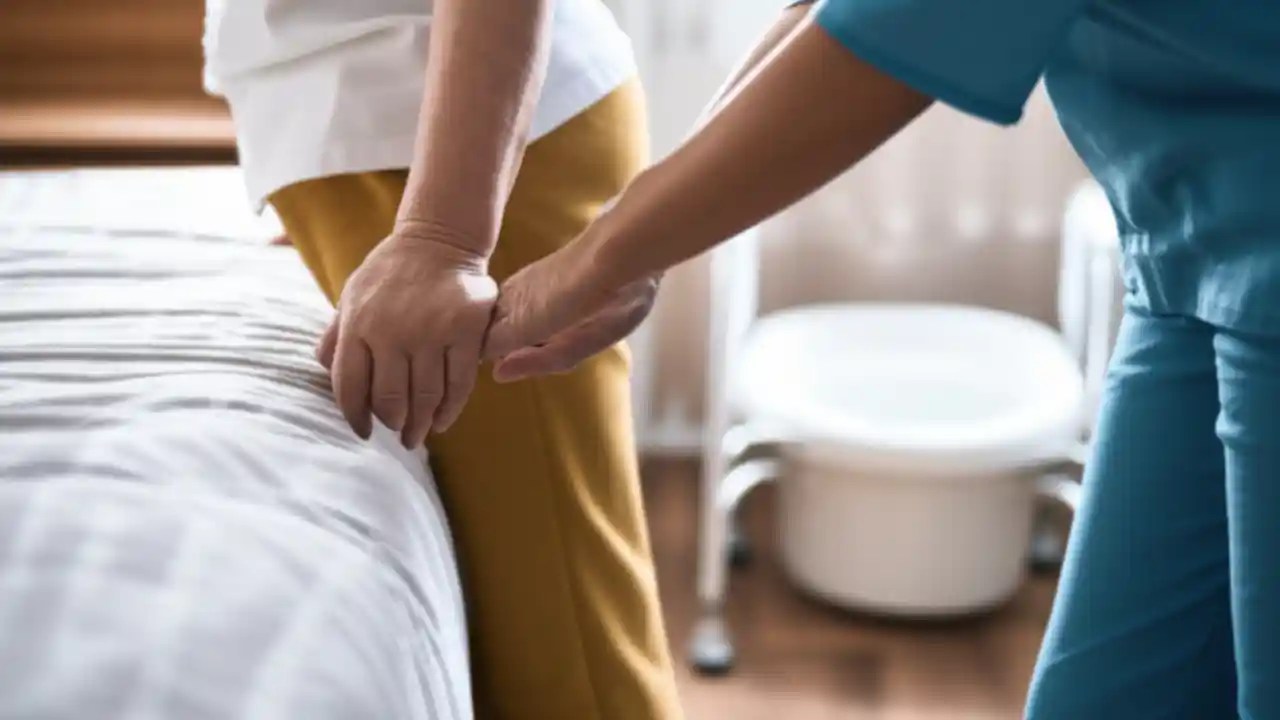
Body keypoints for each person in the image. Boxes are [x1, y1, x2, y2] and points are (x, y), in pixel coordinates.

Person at [483, 1, 1280, 718]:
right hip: (1189, 249)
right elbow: (832, 14)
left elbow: (888, 44)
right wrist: (635, 244)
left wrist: (602, 256)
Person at [201, 1, 684, 718]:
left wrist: (441, 237)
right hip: (416, 161)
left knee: (567, 662)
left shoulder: (448, 226)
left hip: (468, 173)